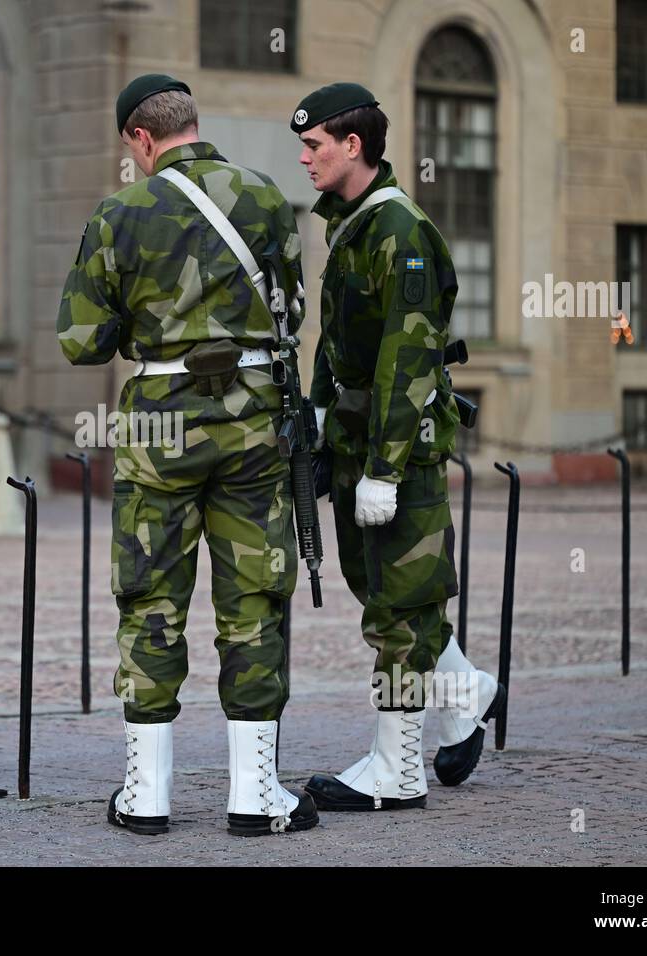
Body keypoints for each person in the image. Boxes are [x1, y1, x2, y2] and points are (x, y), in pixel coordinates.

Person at [58, 74, 318, 837]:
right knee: (254, 599)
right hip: (251, 420)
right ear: (189, 124)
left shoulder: (120, 212)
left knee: (150, 599)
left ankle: (146, 796)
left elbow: (80, 341)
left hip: (158, 426)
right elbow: (293, 310)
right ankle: (255, 795)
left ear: (139, 138)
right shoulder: (267, 197)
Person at [289, 84, 505, 810]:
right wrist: (320, 414)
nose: (305, 157)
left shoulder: (399, 233)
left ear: (354, 146)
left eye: (315, 144)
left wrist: (383, 470)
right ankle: (465, 690)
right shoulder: (352, 226)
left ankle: (397, 770)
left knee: (398, 612)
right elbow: (343, 345)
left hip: (398, 452)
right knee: (384, 591)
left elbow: (407, 361)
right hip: (359, 442)